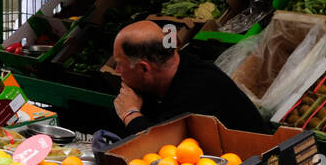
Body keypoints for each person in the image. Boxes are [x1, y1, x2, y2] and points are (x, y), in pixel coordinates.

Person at [112, 20, 268, 135]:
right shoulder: (168, 73)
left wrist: (130, 114)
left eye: (120, 64)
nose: (117, 70)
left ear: (144, 68)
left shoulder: (199, 88)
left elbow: (162, 148)